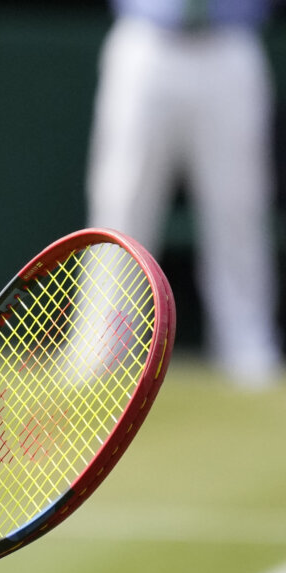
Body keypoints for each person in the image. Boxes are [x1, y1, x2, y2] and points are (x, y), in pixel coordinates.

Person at [86, 0, 283, 389]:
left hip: (231, 42)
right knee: (122, 204)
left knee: (238, 207)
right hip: (145, 40)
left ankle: (246, 347)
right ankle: (103, 347)